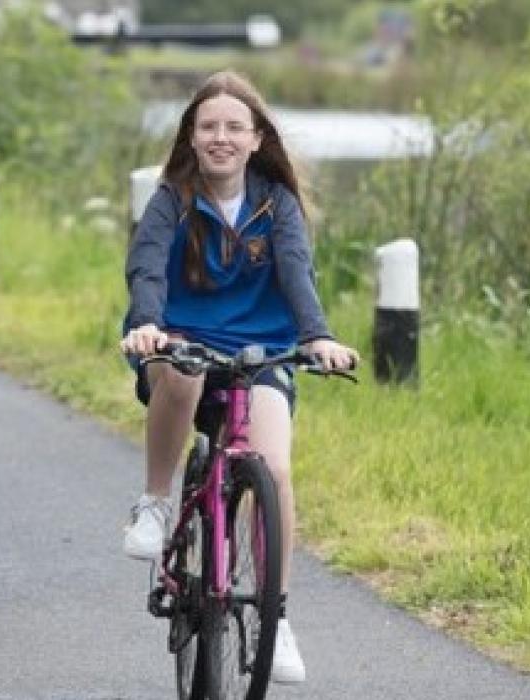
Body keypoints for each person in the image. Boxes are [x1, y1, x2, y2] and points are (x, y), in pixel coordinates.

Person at [119, 71, 360, 685]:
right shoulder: (170, 198)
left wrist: (318, 336)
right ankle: (153, 502)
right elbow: (146, 268)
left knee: (273, 470)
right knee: (181, 374)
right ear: (191, 137)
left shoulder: (276, 203)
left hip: (264, 351)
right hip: (182, 341)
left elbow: (297, 273)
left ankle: (275, 618)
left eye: (234, 127)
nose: (221, 137)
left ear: (257, 139)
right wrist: (148, 324)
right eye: (208, 127)